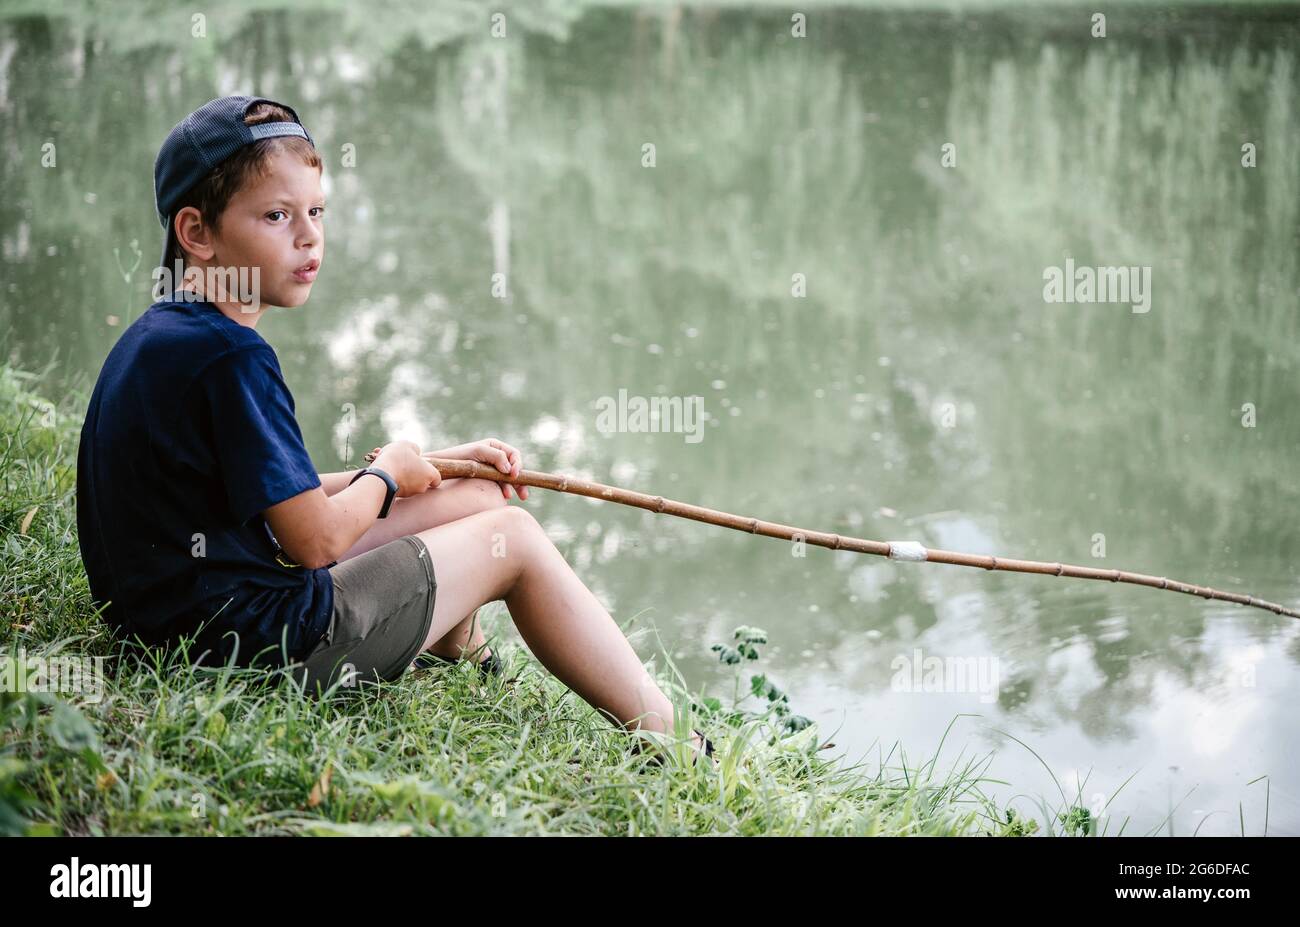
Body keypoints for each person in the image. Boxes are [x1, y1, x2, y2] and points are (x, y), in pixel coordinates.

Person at [75, 95, 712, 765]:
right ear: (197, 233)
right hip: (255, 651)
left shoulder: (167, 333)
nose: (308, 236)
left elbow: (265, 496)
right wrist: (384, 475)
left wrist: (431, 465)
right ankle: (669, 740)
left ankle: (457, 656)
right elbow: (315, 538)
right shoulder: (234, 357)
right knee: (514, 537)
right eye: (276, 215)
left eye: (315, 212)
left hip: (185, 622)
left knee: (477, 500)